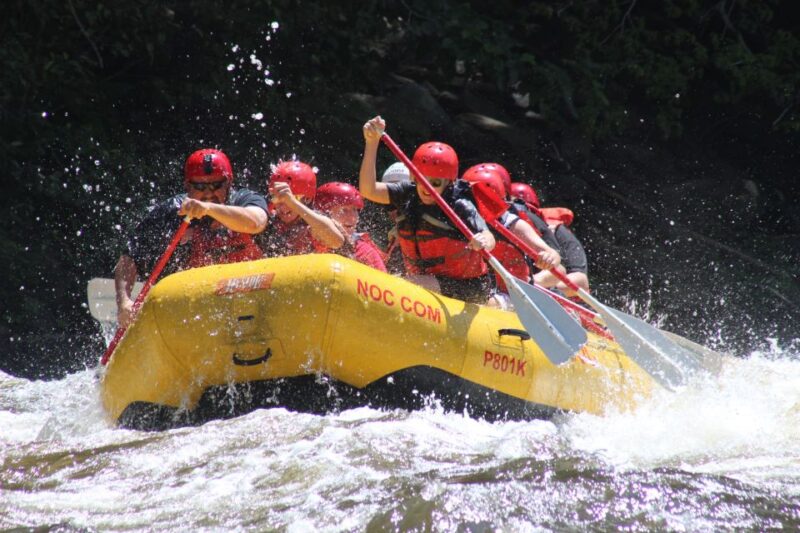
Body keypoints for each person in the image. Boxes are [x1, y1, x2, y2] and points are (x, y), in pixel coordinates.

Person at [114, 148, 268, 327]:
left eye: (217, 185)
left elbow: (256, 222)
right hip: (197, 307)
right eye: (200, 187)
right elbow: (129, 258)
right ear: (187, 186)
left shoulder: (244, 200)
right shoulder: (171, 211)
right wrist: (124, 301)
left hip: (251, 295)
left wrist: (208, 209)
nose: (209, 193)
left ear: (229, 183)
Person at [359, 116, 496, 304]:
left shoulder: (459, 205)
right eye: (422, 179)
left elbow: (488, 237)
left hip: (469, 287)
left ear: (449, 182)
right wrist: (372, 143)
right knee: (405, 281)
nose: (427, 188)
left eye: (436, 183)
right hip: (426, 281)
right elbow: (368, 190)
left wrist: (483, 241)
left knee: (404, 283)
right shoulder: (407, 193)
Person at [461, 165, 560, 308]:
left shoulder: (513, 225)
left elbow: (552, 254)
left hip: (512, 295)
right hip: (472, 287)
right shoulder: (457, 217)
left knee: (488, 303)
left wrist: (549, 257)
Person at [509, 182, 590, 296]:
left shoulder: (558, 231)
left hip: (565, 302)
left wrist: (532, 283)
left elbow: (581, 281)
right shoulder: (508, 228)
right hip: (525, 291)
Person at [258, 160, 344, 257]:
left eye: (294, 198)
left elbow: (337, 242)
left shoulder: (313, 224)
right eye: (278, 198)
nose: (284, 206)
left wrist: (293, 203)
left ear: (307, 199)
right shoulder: (269, 221)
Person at [313, 182, 387, 272]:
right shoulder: (305, 239)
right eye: (344, 210)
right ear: (325, 214)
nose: (353, 217)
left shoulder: (364, 252)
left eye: (354, 210)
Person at [379, 161, 411, 275]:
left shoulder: (422, 234)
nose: (395, 210)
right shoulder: (394, 236)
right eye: (389, 203)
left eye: (401, 201)